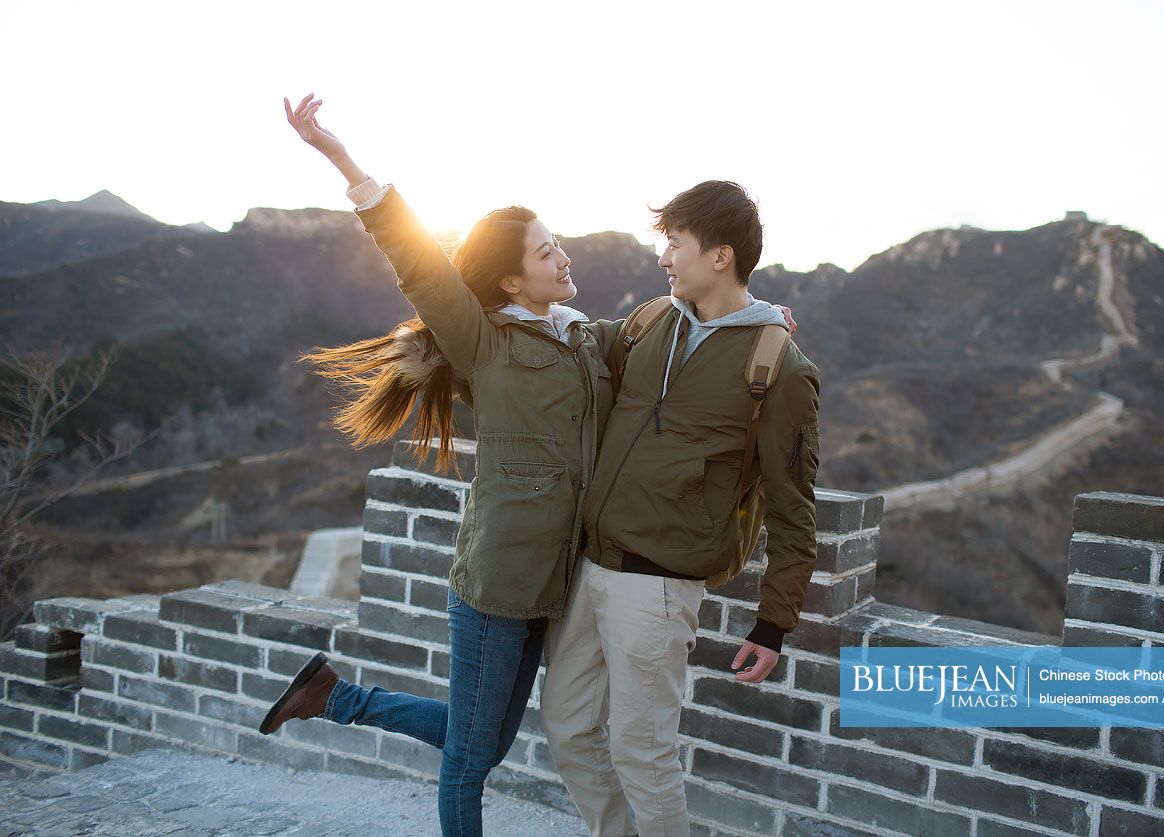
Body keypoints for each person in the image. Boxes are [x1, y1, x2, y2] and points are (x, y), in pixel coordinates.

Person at [259, 93, 617, 837]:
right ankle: (337, 699)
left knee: (482, 738)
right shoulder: (485, 342)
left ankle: (333, 694)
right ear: (512, 281)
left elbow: (655, 335)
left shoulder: (583, 338)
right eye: (546, 249)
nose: (563, 255)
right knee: (469, 760)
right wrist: (339, 156)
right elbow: (417, 262)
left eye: (558, 242)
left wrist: (751, 319)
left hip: (551, 583)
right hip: (494, 583)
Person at [540, 180, 822, 836]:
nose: (662, 256)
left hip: (659, 588)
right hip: (588, 567)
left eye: (675, 243)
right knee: (567, 729)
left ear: (720, 255)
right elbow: (574, 345)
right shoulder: (647, 322)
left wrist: (773, 623)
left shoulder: (779, 365)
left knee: (641, 753)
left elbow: (792, 505)